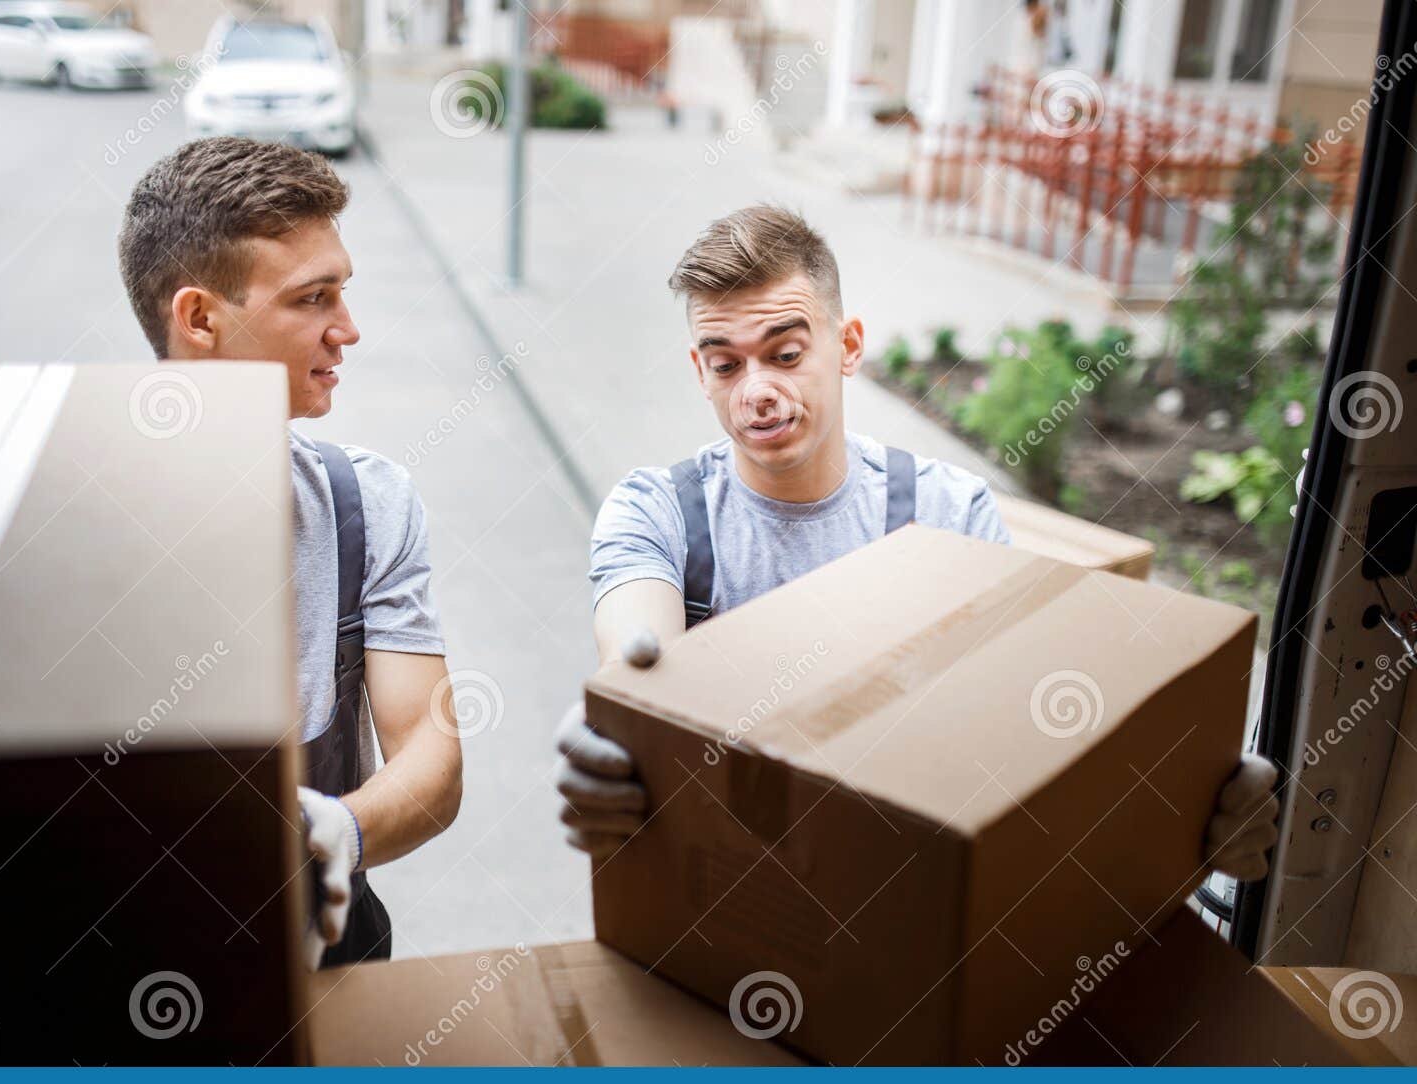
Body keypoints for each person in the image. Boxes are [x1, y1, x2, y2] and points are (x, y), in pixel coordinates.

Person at [554, 204, 1279, 882]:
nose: (756, 390)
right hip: (721, 890)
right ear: (700, 373)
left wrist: (1185, 815)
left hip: (901, 892)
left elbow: (1021, 724)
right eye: (727, 364)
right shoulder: (657, 511)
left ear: (848, 346)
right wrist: (616, 721)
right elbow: (635, 660)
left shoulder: (945, 511)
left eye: (784, 352)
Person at [117, 137, 463, 967]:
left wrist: (338, 829)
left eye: (342, 292)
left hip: (324, 959)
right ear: (199, 318)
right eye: (313, 298)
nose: (348, 330)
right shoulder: (73, 510)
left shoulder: (366, 507)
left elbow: (433, 751)